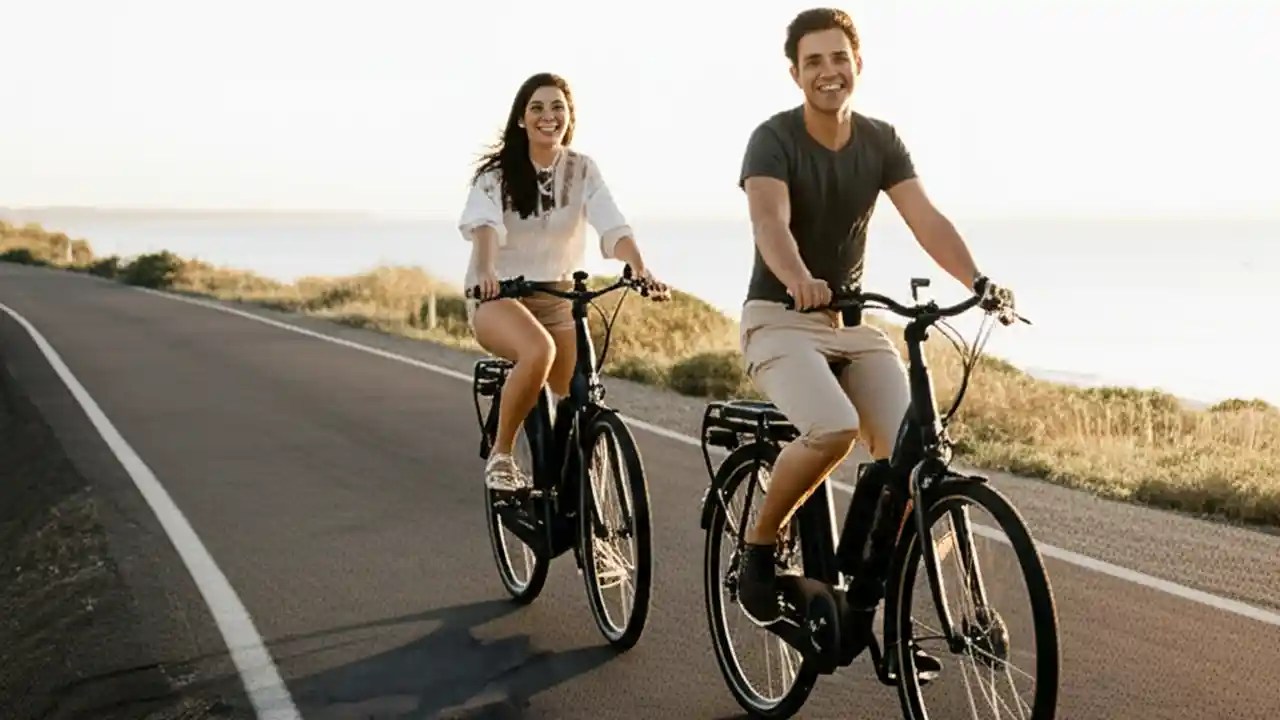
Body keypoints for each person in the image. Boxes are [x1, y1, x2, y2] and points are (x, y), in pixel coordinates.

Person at [733, 8, 1017, 626]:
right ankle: (758, 549)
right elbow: (769, 223)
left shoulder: (881, 140)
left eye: (839, 58)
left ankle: (863, 599)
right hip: (779, 318)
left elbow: (927, 219)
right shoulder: (773, 138)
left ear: (857, 64)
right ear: (795, 74)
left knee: (915, 459)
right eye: (814, 62)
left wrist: (979, 282)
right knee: (832, 427)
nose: (828, 72)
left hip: (851, 326)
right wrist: (800, 279)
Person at [458, 72, 669, 492]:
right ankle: (501, 455)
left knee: (581, 394)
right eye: (537, 107)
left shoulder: (582, 169)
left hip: (559, 297)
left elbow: (613, 225)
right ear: (521, 119)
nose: (548, 116)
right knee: (538, 351)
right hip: (500, 296)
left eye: (558, 107)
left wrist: (640, 267)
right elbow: (484, 228)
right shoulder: (496, 175)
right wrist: (484, 271)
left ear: (569, 117)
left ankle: (570, 489)